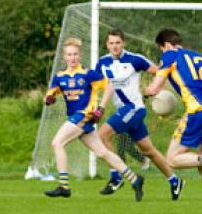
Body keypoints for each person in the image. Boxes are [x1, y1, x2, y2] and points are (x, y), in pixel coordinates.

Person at [143, 29, 202, 214]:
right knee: (200, 162)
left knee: (172, 159)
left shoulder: (169, 55)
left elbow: (155, 87)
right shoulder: (197, 56)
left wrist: (147, 92)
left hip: (198, 111)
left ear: (166, 45)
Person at [43, 38, 144, 200]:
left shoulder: (89, 74)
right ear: (64, 57)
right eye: (69, 54)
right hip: (76, 118)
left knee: (57, 143)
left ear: (80, 55)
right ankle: (134, 179)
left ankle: (64, 186)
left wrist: (101, 108)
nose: (72, 57)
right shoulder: (59, 76)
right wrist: (49, 99)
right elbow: (50, 94)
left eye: (75, 54)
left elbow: (110, 86)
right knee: (102, 152)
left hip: (84, 115)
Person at [95, 29, 184, 200]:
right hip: (124, 111)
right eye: (111, 43)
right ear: (107, 45)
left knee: (102, 135)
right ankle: (174, 181)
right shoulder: (102, 63)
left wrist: (154, 89)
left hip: (134, 109)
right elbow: (101, 85)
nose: (115, 46)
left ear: (124, 43)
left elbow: (160, 71)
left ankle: (116, 177)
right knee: (149, 151)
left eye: (118, 42)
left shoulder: (134, 59)